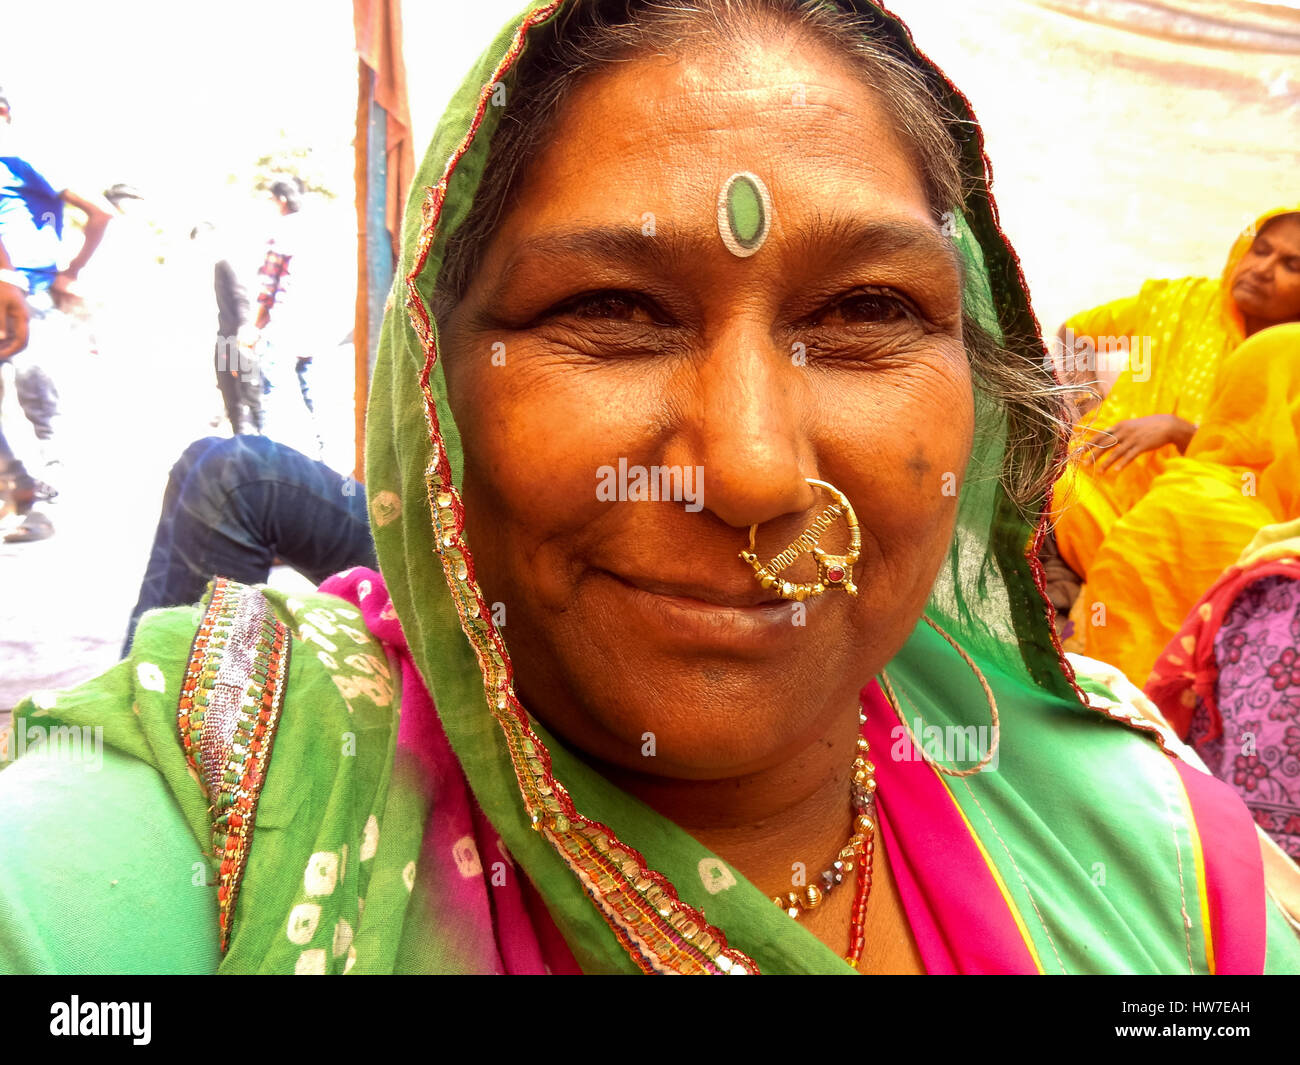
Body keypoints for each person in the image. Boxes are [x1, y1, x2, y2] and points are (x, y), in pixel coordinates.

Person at [1, 0, 1296, 975]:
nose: (748, 469)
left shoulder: (1154, 847)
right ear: (431, 389)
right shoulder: (211, 815)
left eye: (863, 311)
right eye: (612, 308)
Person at [1049, 205, 1300, 605]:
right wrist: (1088, 408)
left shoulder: (1290, 364)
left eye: (1292, 265)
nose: (1263, 269)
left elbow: (1277, 488)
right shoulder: (1182, 302)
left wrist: (1182, 434)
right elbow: (1076, 333)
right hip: (1095, 499)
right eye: (1260, 250)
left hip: (1199, 538)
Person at [0, 85, 113, 541]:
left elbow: (100, 212)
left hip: (32, 295)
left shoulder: (20, 155)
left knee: (39, 399)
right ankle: (21, 488)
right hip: (5, 291)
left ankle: (50, 506)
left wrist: (72, 269)